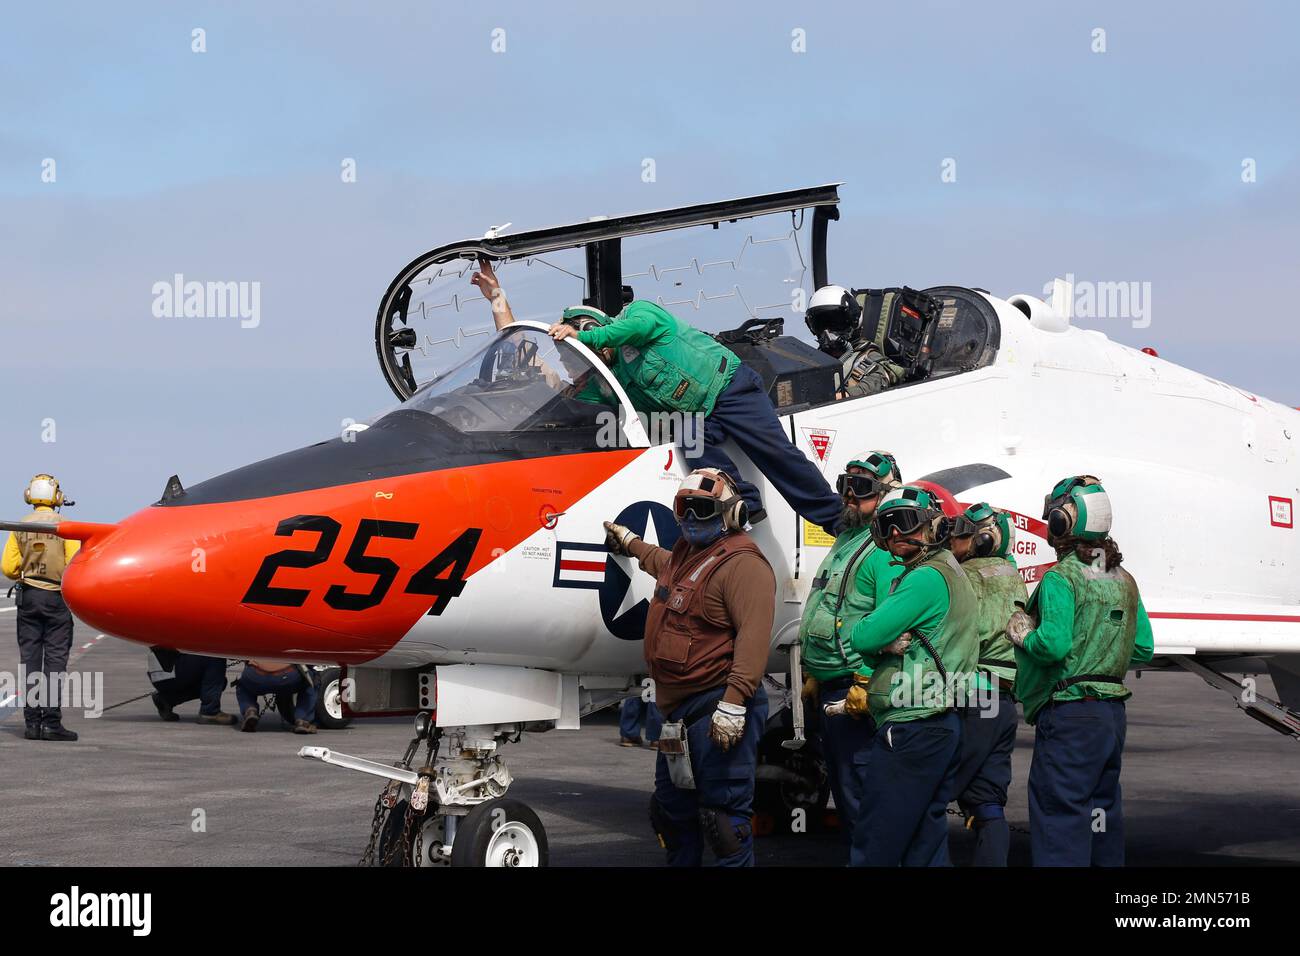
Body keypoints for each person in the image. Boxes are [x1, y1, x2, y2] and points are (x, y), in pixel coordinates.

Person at [603, 467, 776, 866]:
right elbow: (660, 563)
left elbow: (753, 641)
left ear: (730, 513)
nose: (692, 519)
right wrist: (631, 543)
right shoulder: (685, 554)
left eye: (703, 509)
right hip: (677, 715)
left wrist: (734, 705)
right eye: (685, 508)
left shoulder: (744, 565)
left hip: (717, 709)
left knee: (724, 822)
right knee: (671, 813)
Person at [549, 302, 842, 533]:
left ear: (593, 328)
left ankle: (837, 520)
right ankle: (746, 506)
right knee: (689, 438)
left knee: (776, 454)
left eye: (587, 347)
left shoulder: (640, 312)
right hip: (702, 416)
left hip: (732, 389)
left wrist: (585, 337)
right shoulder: (617, 379)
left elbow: (639, 327)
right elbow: (579, 405)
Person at [1006, 476, 1153, 866]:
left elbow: (1052, 645)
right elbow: (1142, 648)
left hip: (1071, 712)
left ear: (1062, 522)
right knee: (1101, 814)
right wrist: (1102, 653)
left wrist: (1023, 634)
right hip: (1111, 715)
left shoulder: (1062, 577)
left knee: (1060, 816)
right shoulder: (1123, 579)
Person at [833, 485, 978, 866]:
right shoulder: (949, 571)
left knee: (876, 842)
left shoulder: (925, 578)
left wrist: (876, 642)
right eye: (888, 524)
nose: (896, 533)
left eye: (906, 523)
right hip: (940, 723)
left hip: (911, 727)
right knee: (924, 845)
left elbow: (863, 634)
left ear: (933, 526)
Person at [797, 451, 904, 852]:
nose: (848, 497)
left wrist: (864, 680)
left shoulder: (883, 549)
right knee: (846, 786)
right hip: (831, 684)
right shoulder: (847, 539)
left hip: (856, 690)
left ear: (887, 495)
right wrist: (814, 673)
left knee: (860, 787)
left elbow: (890, 623)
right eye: (844, 486)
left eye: (860, 489)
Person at [947, 502, 1027, 866]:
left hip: (974, 694)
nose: (952, 539)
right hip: (1004, 700)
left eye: (960, 532)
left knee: (932, 791)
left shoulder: (966, 576)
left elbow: (955, 635)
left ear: (980, 538)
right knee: (987, 801)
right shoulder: (1013, 575)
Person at [2, 475, 80, 741]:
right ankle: (51, 723)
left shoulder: (19, 526)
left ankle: (32, 724)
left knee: (31, 662)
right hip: (57, 599)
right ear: (56, 497)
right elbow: (73, 564)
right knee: (55, 663)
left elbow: (9, 568)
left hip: (29, 598)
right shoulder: (66, 526)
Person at [805, 285, 907, 398]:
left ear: (854, 319)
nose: (827, 332)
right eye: (820, 324)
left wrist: (840, 396)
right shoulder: (813, 361)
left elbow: (878, 380)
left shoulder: (868, 358)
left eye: (835, 322)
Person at [146, 647, 236, 725]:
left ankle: (167, 699)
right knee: (215, 654)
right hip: (172, 668)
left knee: (220, 682)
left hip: (160, 672)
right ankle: (210, 711)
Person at [235, 660, 318, 734]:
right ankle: (303, 720)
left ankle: (250, 710)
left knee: (242, 686)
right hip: (287, 675)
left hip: (256, 674)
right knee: (311, 680)